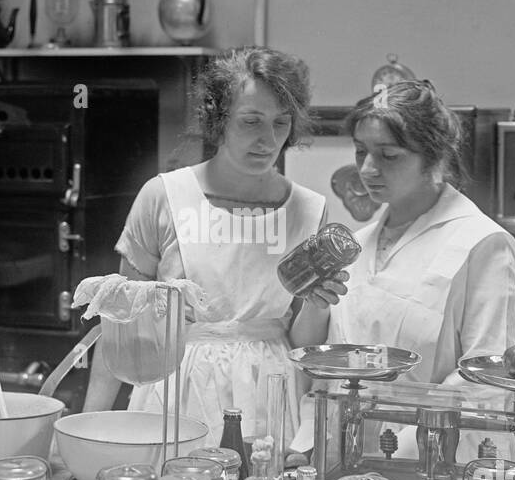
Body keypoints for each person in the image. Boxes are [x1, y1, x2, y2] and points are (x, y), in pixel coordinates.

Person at [81, 47, 347, 442]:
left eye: (280, 123)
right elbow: (121, 328)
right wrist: (86, 429)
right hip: (174, 389)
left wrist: (317, 302)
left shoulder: (309, 210)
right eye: (251, 121)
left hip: (270, 394)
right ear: (218, 120)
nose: (267, 139)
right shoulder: (163, 197)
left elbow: (303, 345)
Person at [291, 79, 515, 462]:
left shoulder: (481, 242)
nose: (367, 169)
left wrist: (398, 456)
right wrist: (307, 445)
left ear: (433, 158)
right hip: (342, 458)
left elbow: (485, 379)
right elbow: (316, 360)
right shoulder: (358, 245)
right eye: (361, 151)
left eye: (389, 155)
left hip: (433, 464)